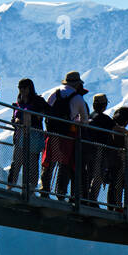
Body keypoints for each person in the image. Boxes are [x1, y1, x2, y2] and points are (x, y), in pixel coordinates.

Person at [40, 71, 89, 199]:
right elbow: (85, 119)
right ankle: (60, 192)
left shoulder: (55, 93)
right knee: (64, 164)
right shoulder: (77, 98)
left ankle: (44, 189)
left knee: (49, 161)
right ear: (77, 84)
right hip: (67, 135)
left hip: (52, 132)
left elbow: (47, 109)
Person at [8, 78, 50, 191]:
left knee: (32, 165)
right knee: (16, 163)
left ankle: (30, 188)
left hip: (34, 136)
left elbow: (48, 112)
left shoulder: (38, 101)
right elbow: (13, 119)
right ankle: (10, 185)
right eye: (20, 87)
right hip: (20, 136)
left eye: (24, 87)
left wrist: (40, 115)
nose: (21, 90)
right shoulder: (18, 102)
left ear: (29, 88)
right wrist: (15, 121)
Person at [85, 93, 115, 205]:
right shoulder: (105, 119)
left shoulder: (89, 116)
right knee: (98, 176)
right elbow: (115, 129)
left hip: (87, 148)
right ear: (105, 105)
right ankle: (92, 199)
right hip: (100, 150)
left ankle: (84, 197)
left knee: (88, 174)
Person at [106, 106, 128, 212]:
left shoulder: (114, 129)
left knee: (115, 185)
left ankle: (114, 206)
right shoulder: (119, 131)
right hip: (118, 162)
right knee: (117, 184)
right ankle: (116, 206)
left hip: (116, 161)